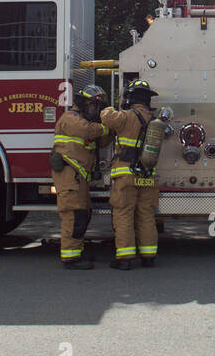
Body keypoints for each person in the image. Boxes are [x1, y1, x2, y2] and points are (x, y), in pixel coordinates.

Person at [99, 79, 161, 270]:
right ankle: (148, 256)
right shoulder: (153, 119)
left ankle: (124, 258)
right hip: (148, 176)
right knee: (146, 215)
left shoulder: (125, 116)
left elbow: (106, 118)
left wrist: (106, 106)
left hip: (126, 175)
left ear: (130, 97)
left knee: (124, 214)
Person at [49, 84, 108, 270]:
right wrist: (108, 126)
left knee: (83, 215)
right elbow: (89, 131)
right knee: (74, 216)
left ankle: (77, 250)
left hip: (79, 177)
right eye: (92, 105)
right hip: (69, 175)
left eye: (98, 107)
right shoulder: (71, 118)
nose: (95, 109)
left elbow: (102, 140)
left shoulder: (85, 121)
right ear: (82, 102)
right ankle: (71, 258)